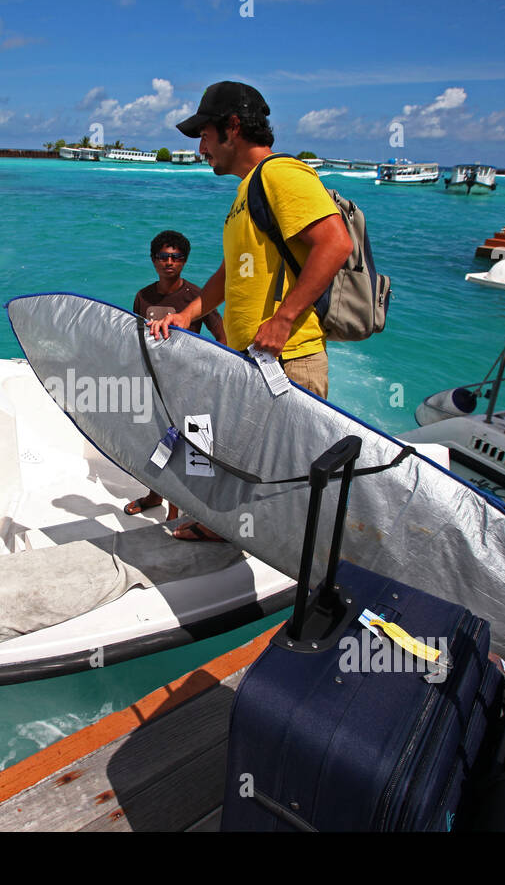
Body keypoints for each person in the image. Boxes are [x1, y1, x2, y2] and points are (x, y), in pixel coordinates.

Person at [150, 81, 352, 542]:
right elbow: (230, 274)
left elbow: (335, 242)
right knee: (241, 457)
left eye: (204, 133)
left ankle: (294, 561)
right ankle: (227, 528)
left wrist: (283, 320)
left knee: (285, 472)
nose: (200, 146)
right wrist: (186, 316)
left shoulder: (282, 175)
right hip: (255, 359)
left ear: (233, 128)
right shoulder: (246, 193)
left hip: (290, 359)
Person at [124, 230, 225, 521]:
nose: (169, 262)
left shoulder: (197, 297)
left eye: (176, 257)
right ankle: (155, 495)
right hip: (155, 382)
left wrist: (216, 377)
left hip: (190, 386)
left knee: (185, 447)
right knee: (152, 440)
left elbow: (222, 337)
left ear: (184, 261)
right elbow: (136, 338)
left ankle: (176, 509)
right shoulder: (143, 296)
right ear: (154, 260)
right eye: (163, 257)